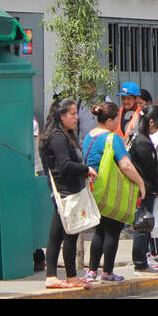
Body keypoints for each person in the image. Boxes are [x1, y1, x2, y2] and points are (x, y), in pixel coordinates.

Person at [82, 101, 147, 283]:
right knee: (113, 230)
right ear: (109, 120)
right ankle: (107, 272)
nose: (118, 123)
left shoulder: (89, 136)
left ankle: (92, 271)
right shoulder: (111, 138)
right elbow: (125, 165)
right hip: (109, 189)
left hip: (93, 188)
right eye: (117, 119)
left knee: (99, 231)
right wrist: (141, 183)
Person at [41, 97, 93, 288]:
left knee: (56, 234)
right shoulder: (58, 137)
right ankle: (69, 276)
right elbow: (64, 165)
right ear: (62, 116)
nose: (76, 118)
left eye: (76, 113)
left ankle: (53, 275)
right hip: (65, 192)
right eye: (72, 114)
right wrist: (86, 169)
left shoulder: (64, 135)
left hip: (67, 191)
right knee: (70, 234)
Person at [128, 103, 158, 273]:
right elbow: (150, 169)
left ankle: (142, 259)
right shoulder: (142, 143)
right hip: (145, 189)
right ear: (151, 122)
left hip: (143, 188)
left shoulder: (138, 139)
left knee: (143, 224)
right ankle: (140, 261)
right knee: (143, 225)